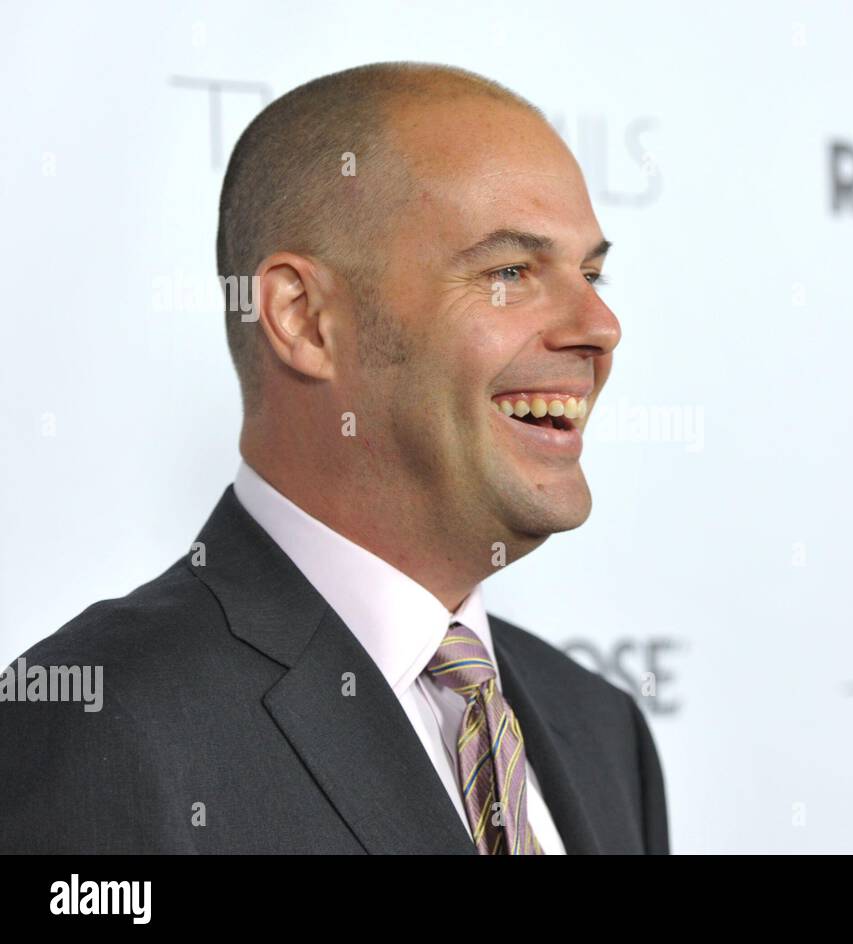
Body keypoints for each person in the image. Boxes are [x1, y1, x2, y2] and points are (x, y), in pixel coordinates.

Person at [0, 61, 669, 854]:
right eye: (510, 273)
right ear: (304, 318)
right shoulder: (97, 725)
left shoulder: (599, 728)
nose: (600, 325)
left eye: (591, 272)